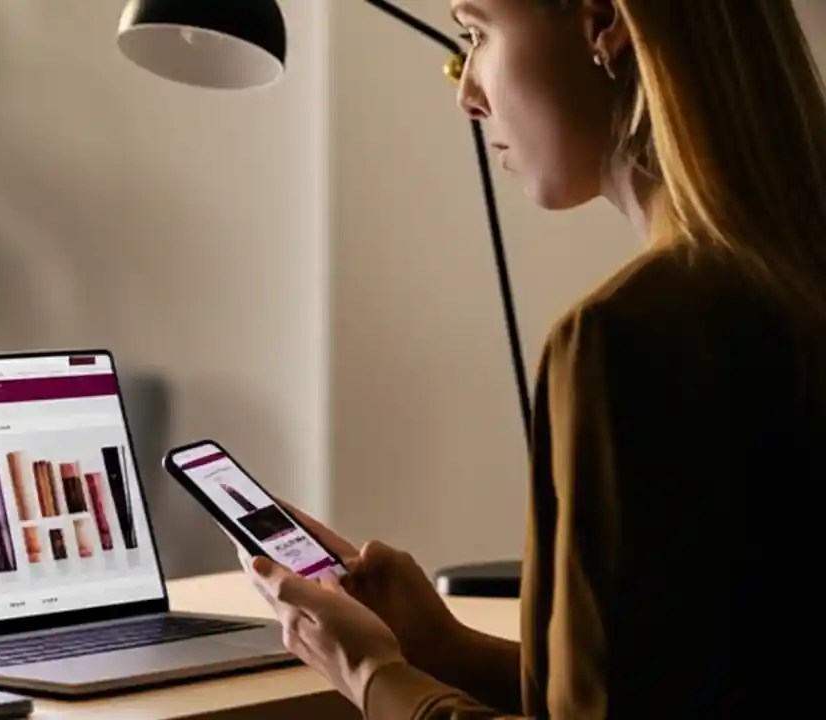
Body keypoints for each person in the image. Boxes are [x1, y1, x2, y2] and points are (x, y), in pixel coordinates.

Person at [239, 0, 826, 717]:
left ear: (602, 23)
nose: (467, 92)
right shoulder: (791, 290)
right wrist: (439, 645)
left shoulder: (627, 337)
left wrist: (370, 673)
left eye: (477, 32)